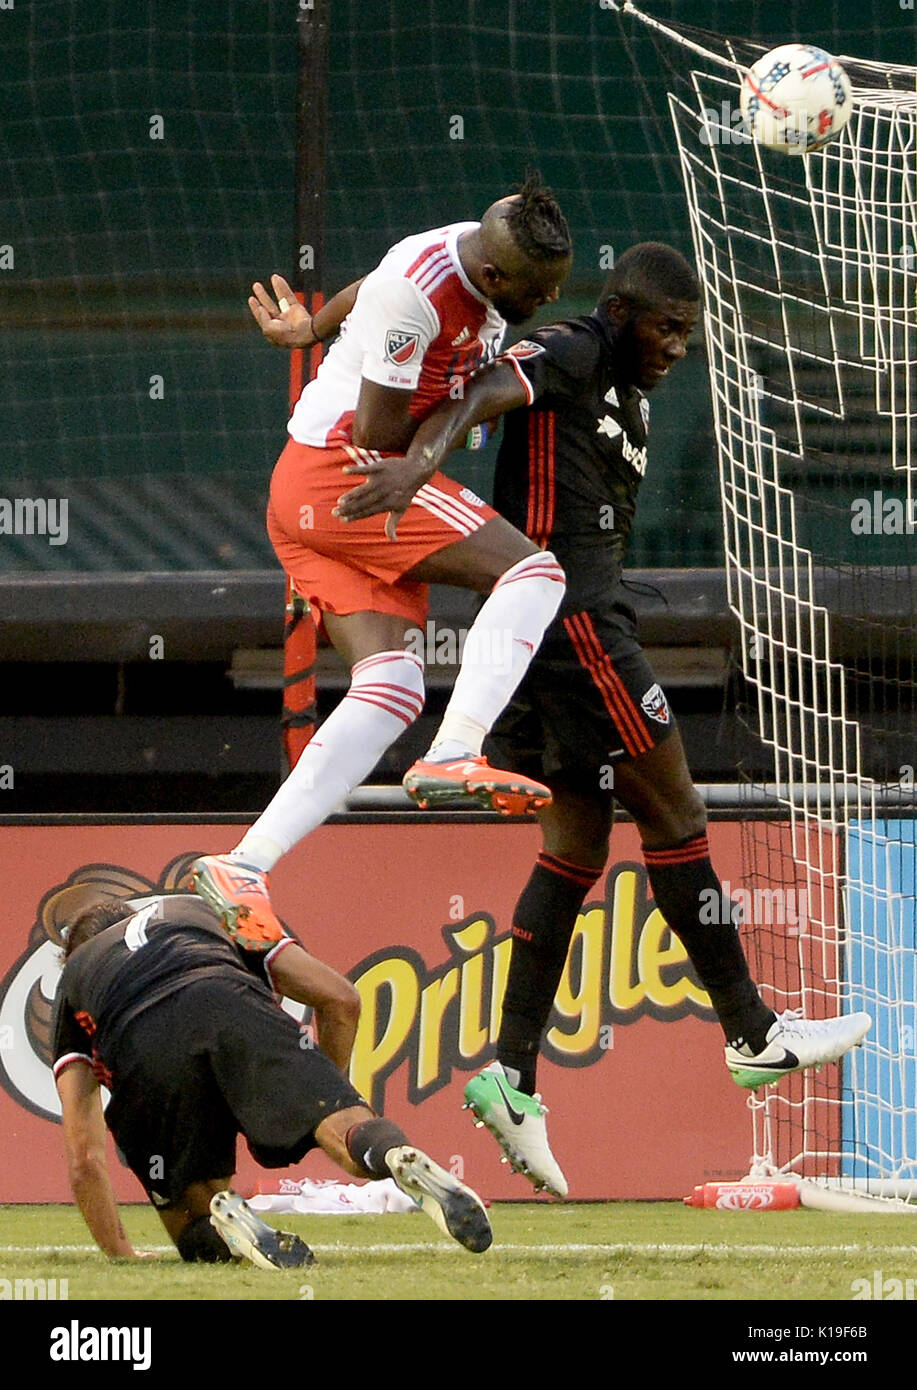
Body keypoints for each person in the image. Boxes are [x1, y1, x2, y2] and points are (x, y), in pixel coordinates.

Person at [336, 241, 872, 1198]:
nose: (676, 346)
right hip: (575, 625)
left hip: (548, 635)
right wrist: (423, 462)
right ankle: (752, 1030)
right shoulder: (577, 348)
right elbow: (489, 389)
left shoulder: (631, 386)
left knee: (576, 845)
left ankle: (508, 1073)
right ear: (621, 312)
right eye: (665, 327)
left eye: (687, 333)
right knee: (677, 817)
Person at [191, 175, 572, 950]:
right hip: (348, 472)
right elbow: (380, 433)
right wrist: (432, 455)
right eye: (537, 293)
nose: (543, 302)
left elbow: (368, 283)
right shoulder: (419, 297)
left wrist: (310, 330)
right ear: (495, 277)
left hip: (304, 491)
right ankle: (456, 751)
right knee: (535, 573)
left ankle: (244, 865)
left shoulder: (474, 241)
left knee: (393, 687)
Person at [52, 891, 492, 1265]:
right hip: (229, 995)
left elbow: (84, 1156)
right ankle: (394, 1154)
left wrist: (120, 1253)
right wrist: (319, 1098)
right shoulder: (203, 909)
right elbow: (341, 999)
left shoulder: (77, 975)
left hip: (141, 1042)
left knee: (192, 1220)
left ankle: (225, 1221)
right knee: (348, 1133)